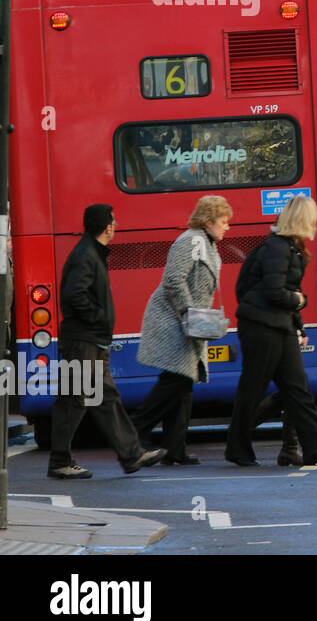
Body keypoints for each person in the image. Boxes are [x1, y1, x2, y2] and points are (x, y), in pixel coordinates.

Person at [48, 204, 165, 480]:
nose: (116, 226)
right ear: (107, 227)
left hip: (92, 341)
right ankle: (59, 461)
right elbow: (74, 295)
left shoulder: (92, 253)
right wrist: (98, 317)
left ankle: (131, 453)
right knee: (73, 400)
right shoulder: (85, 255)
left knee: (106, 398)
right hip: (82, 341)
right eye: (114, 222)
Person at [224, 195, 317, 467]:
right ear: (302, 219)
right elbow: (275, 291)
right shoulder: (277, 248)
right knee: (252, 389)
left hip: (279, 325)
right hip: (261, 328)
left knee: (297, 389)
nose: (315, 222)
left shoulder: (289, 247)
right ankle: (237, 448)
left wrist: (298, 324)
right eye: (311, 216)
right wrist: (299, 301)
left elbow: (281, 292)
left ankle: (315, 447)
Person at [132, 195, 232, 465]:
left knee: (184, 383)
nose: (227, 227)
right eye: (223, 222)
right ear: (208, 221)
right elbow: (173, 281)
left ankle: (174, 448)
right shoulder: (190, 241)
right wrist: (190, 314)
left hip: (188, 323)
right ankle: (136, 432)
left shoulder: (208, 243)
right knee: (175, 381)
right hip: (173, 320)